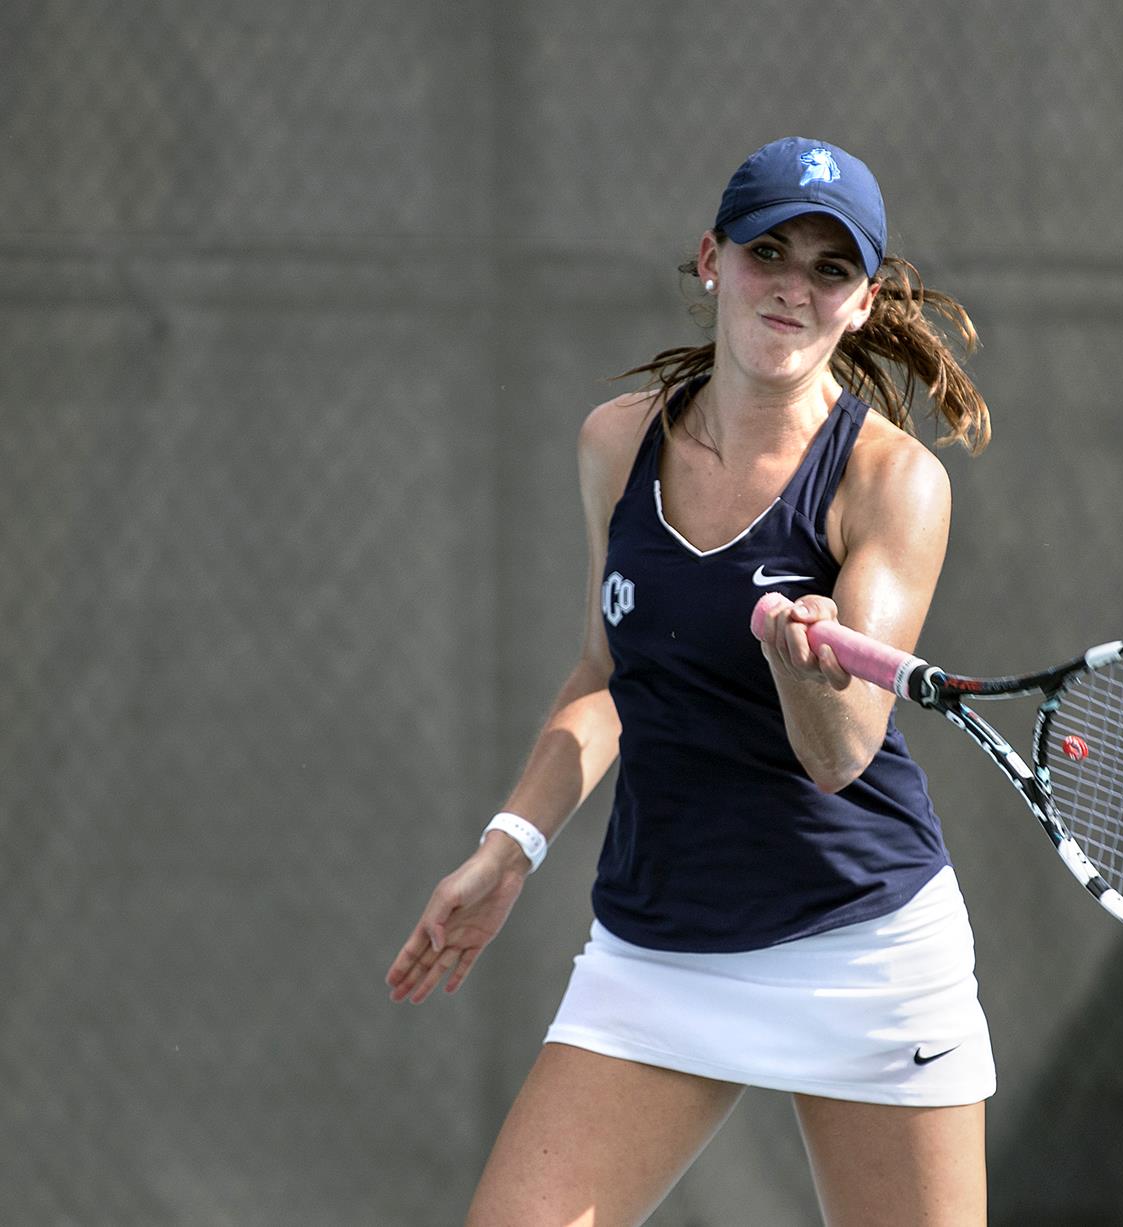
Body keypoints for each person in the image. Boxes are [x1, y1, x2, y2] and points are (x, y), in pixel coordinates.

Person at [387, 136, 995, 1227]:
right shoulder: (617, 444)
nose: (793, 288)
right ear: (712, 258)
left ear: (859, 305)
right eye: (770, 252)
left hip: (862, 944)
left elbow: (840, 752)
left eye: (829, 269)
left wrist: (797, 665)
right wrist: (510, 845)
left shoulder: (891, 482)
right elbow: (610, 670)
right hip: (659, 948)